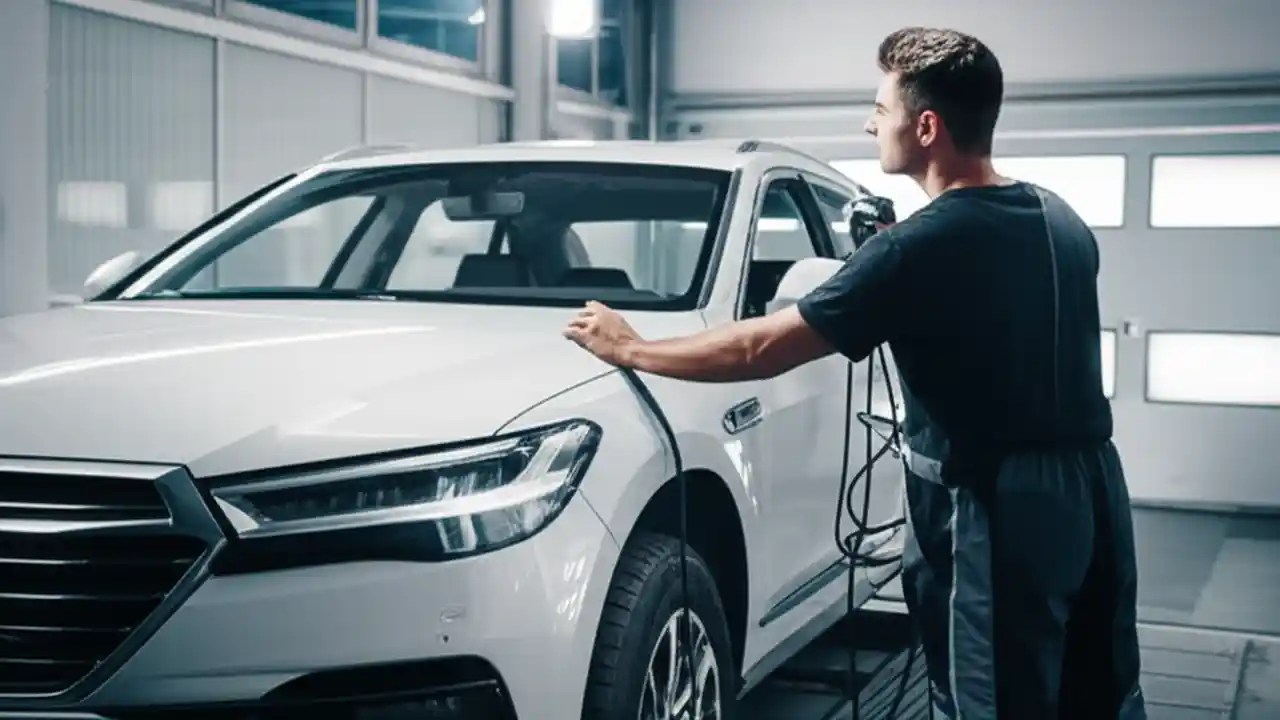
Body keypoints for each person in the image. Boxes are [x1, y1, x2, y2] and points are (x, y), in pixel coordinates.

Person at [563, 25, 1147, 720]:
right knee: (1096, 687)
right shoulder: (1061, 216)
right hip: (1092, 489)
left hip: (993, 505)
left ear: (925, 126)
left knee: (984, 697)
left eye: (881, 107)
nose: (869, 122)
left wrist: (632, 349)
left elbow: (763, 347)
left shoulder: (915, 249)